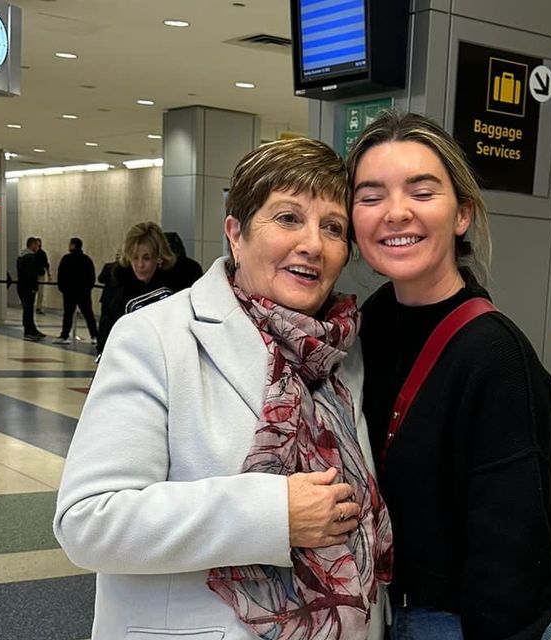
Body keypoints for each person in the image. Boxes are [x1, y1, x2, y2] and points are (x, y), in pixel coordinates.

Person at [54, 137, 392, 639]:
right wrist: (273, 513)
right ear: (235, 232)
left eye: (333, 227)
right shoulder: (157, 337)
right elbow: (89, 521)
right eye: (287, 218)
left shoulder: (342, 355)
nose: (313, 244)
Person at [346, 110, 551, 640]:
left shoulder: (493, 354)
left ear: (462, 213)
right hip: (383, 609)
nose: (396, 213)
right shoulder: (365, 326)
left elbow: (512, 554)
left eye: (422, 192)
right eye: (371, 196)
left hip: (460, 623)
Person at [94, 222, 175, 355]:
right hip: (125, 359)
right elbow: (106, 326)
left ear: (159, 258)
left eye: (146, 258)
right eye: (135, 258)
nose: (140, 265)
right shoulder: (119, 284)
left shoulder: (174, 288)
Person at [53, 237, 97, 345]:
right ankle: (95, 335)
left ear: (73, 245)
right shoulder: (87, 259)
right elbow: (92, 276)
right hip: (83, 292)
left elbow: (61, 274)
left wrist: (62, 288)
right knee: (88, 314)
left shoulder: (66, 259)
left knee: (68, 314)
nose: (68, 245)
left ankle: (64, 336)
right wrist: (88, 288)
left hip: (69, 292)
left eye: (70, 244)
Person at [16, 237, 45, 340]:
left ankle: (32, 328)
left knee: (28, 309)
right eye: (37, 245)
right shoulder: (30, 258)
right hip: (27, 287)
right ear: (32, 245)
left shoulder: (21, 256)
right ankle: (28, 331)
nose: (38, 247)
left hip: (22, 286)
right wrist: (34, 286)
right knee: (28, 309)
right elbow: (31, 274)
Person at [34, 237, 50, 314]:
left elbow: (46, 264)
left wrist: (49, 274)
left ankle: (38, 307)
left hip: (40, 274)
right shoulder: (32, 253)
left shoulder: (42, 253)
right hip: (33, 275)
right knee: (33, 291)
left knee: (40, 292)